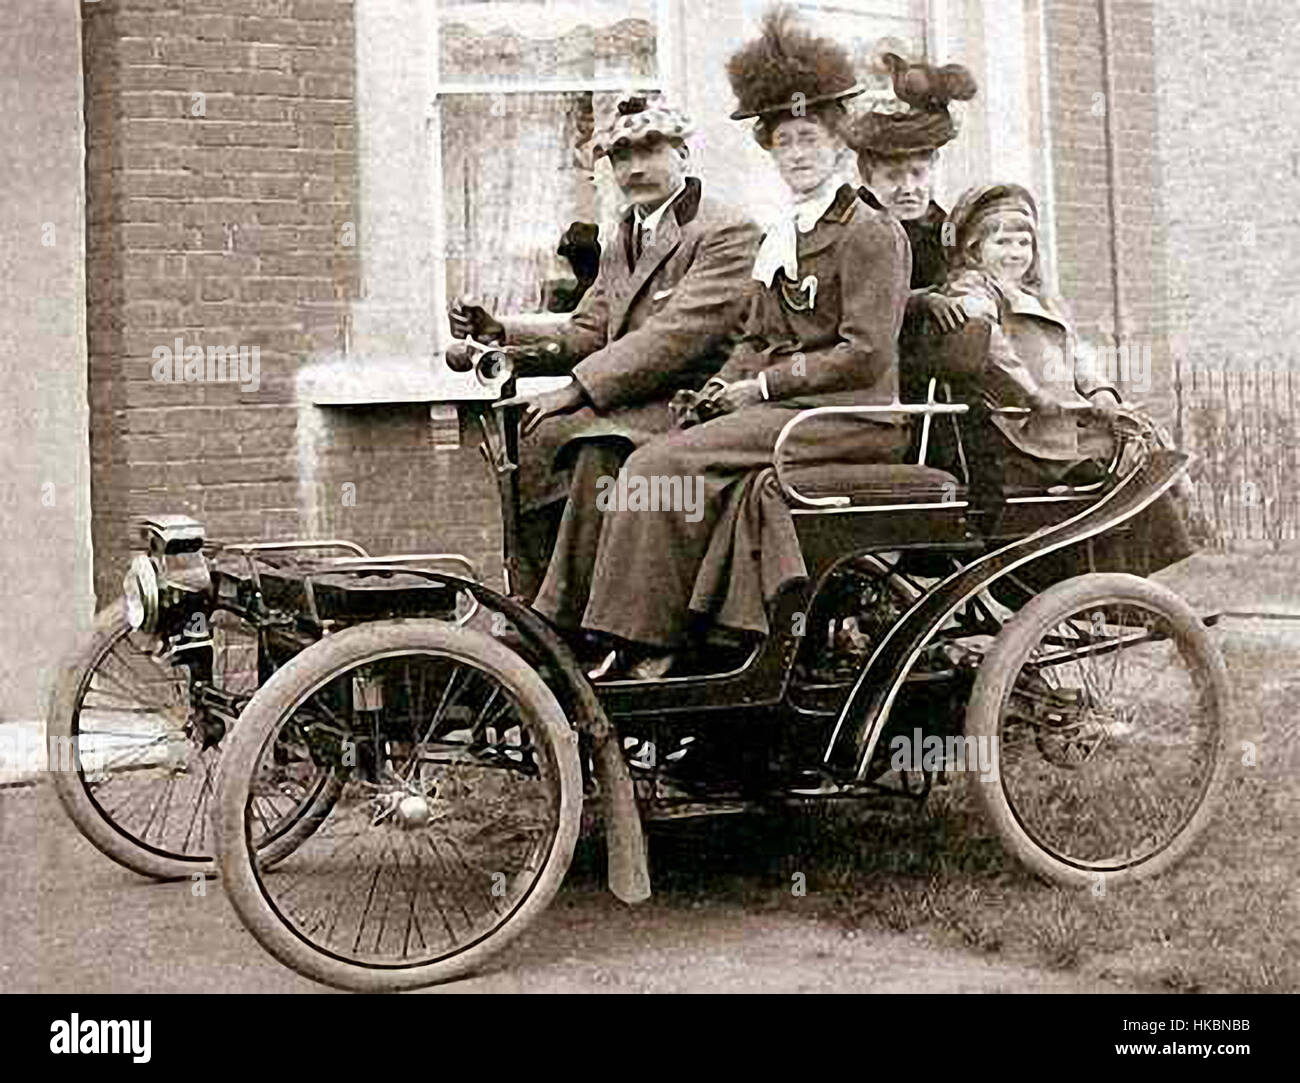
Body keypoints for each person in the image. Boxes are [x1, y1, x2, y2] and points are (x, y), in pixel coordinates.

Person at [569, 7, 913, 679]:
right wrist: (716, 392)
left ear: (840, 144)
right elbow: (757, 335)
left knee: (657, 472)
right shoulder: (786, 232)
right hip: (789, 414)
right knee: (651, 452)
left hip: (852, 419)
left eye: (811, 137)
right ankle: (687, 637)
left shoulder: (867, 231)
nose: (799, 153)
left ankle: (647, 643)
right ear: (771, 149)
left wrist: (761, 387)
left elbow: (865, 353)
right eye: (785, 141)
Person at [448, 94, 761, 606]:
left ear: (683, 154)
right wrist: (502, 331)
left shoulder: (726, 231)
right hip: (636, 400)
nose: (634, 168)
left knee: (597, 445)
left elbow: (677, 336)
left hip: (697, 404)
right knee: (529, 437)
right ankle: (541, 595)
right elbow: (589, 331)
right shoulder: (624, 236)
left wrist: (577, 389)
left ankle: (575, 615)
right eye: (621, 157)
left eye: (648, 151)